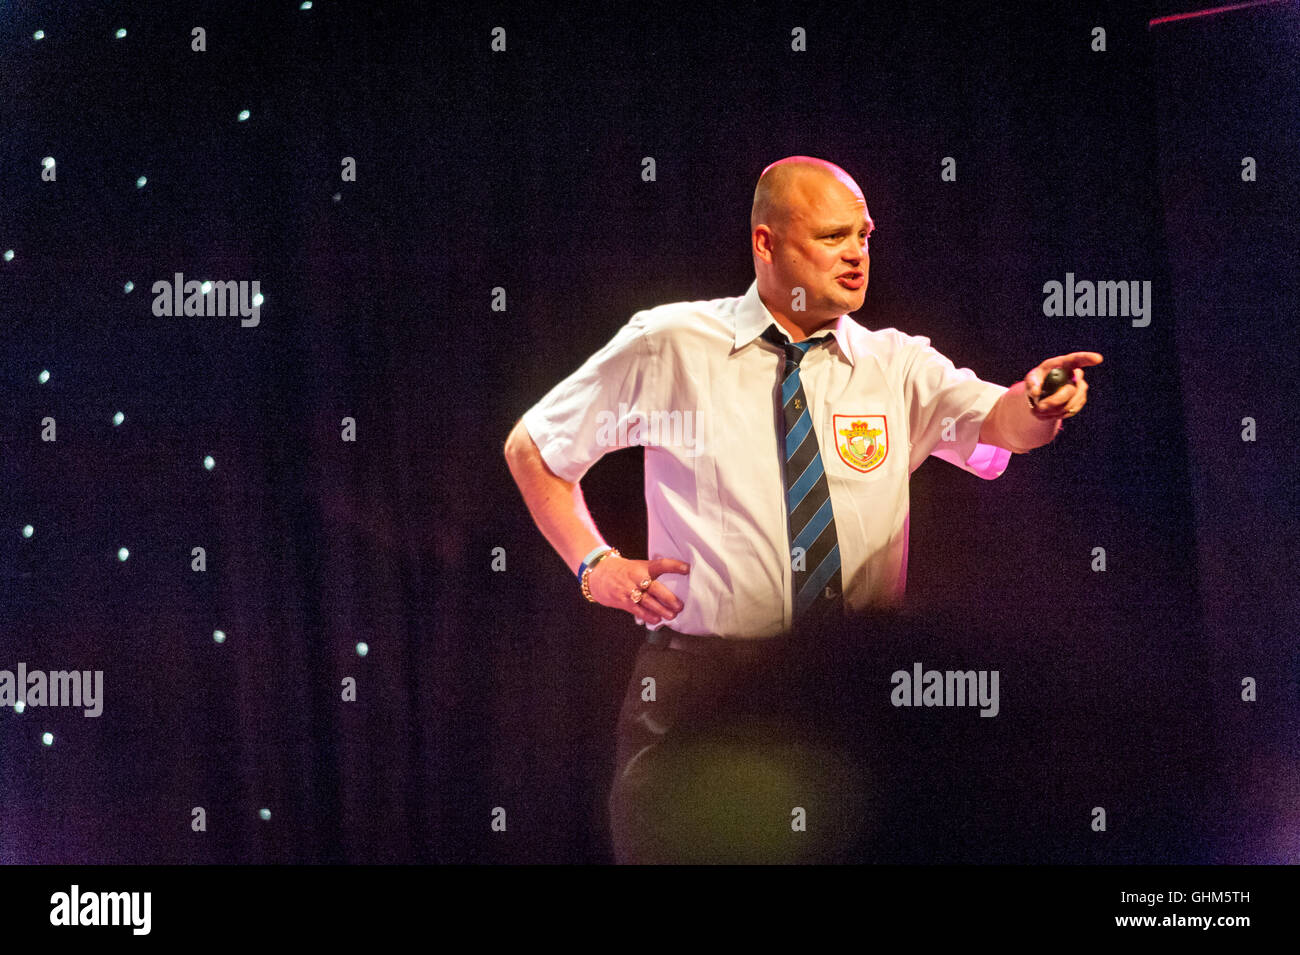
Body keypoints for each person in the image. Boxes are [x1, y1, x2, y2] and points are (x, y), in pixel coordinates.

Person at [503, 156, 1102, 862]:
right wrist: (593, 563)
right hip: (704, 688)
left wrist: (1037, 401)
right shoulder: (672, 343)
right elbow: (535, 445)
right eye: (831, 236)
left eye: (865, 236)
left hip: (851, 699)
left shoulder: (895, 365)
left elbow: (1001, 423)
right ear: (766, 243)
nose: (855, 253)